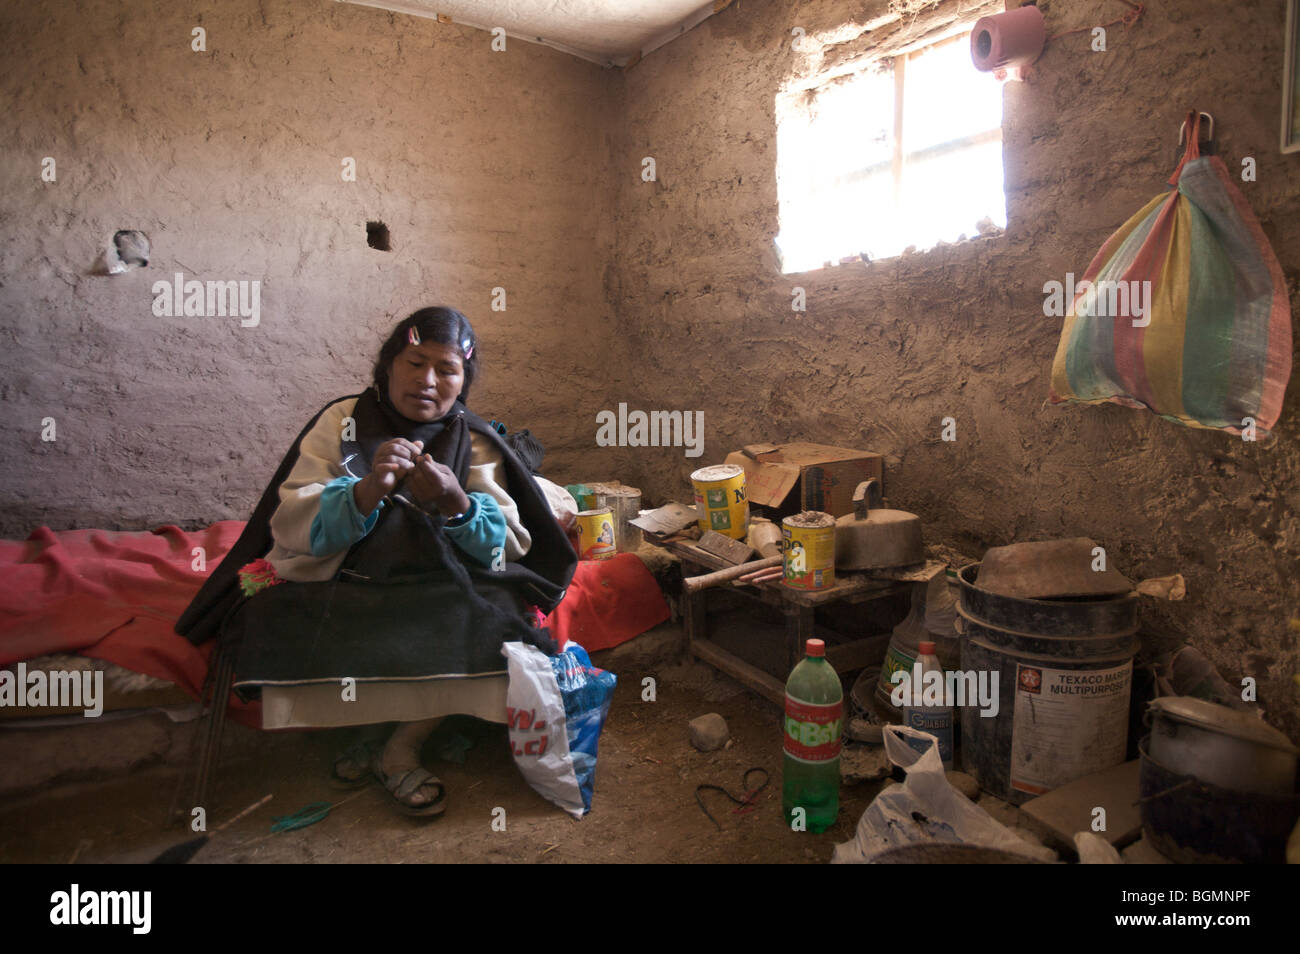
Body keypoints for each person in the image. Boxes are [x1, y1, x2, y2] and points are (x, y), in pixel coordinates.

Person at [176, 306, 578, 817]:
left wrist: (456, 500)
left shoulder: (471, 439)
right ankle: (369, 731)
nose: (428, 380)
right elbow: (291, 520)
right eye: (414, 362)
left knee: (499, 617)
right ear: (388, 365)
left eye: (447, 369)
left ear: (463, 380)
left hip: (437, 583)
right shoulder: (341, 422)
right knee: (271, 612)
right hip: (344, 574)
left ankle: (399, 748)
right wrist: (365, 492)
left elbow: (509, 543)